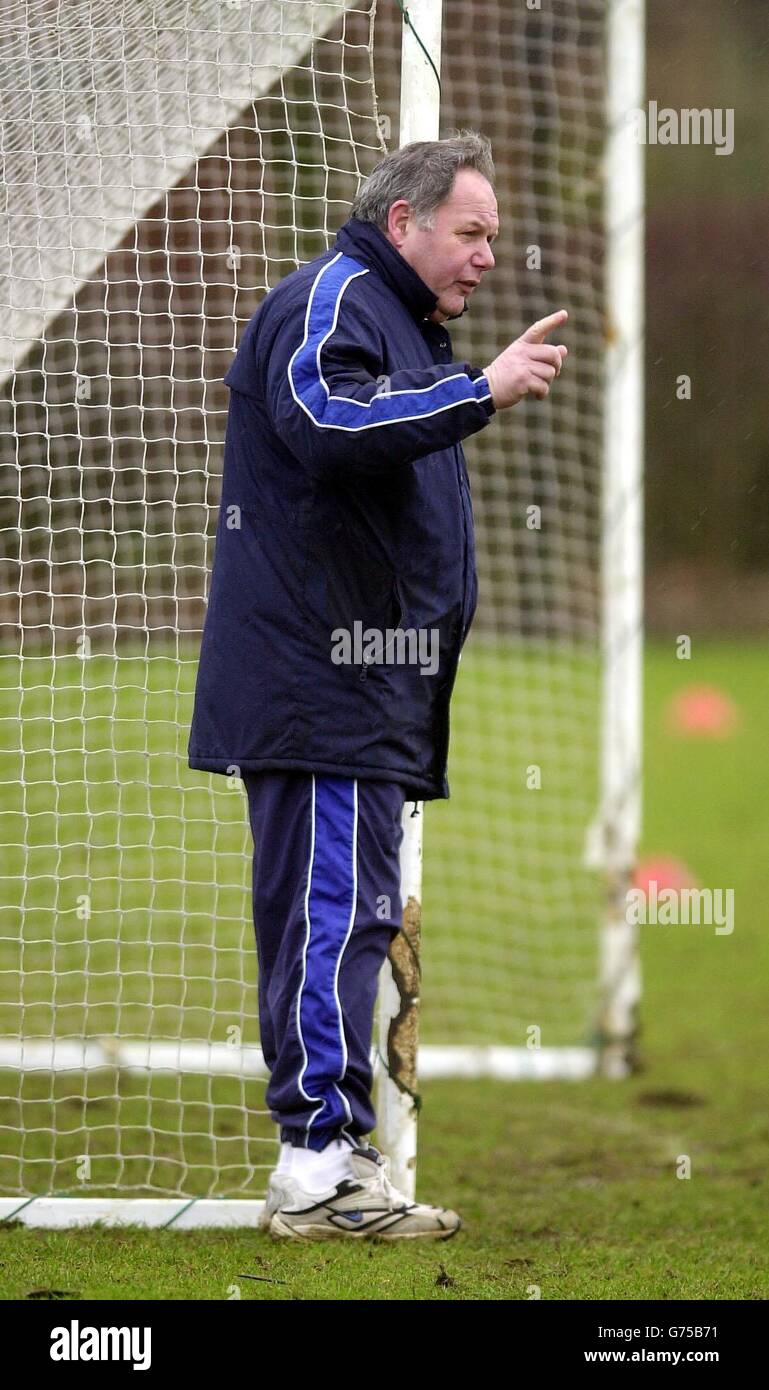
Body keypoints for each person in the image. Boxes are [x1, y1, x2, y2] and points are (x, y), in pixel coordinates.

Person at [187, 130, 568, 1240]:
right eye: (470, 231)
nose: (488, 254)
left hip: (368, 690)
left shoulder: (398, 322)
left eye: (494, 235)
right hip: (322, 684)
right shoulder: (335, 295)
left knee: (348, 920)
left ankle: (336, 1155)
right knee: (326, 921)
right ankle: (315, 1170)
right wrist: (479, 391)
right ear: (403, 222)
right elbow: (324, 423)